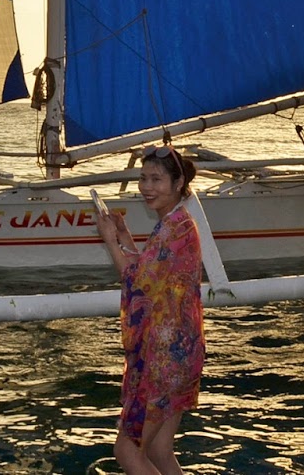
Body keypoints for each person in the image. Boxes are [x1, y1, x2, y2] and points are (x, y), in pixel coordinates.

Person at [94, 143, 205, 475]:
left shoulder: (173, 229)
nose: (147, 187)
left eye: (156, 180)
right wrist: (125, 236)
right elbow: (149, 271)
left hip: (164, 359)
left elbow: (136, 282)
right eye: (143, 179)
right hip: (181, 354)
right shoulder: (177, 223)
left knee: (127, 451)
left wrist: (110, 240)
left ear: (178, 183)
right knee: (158, 449)